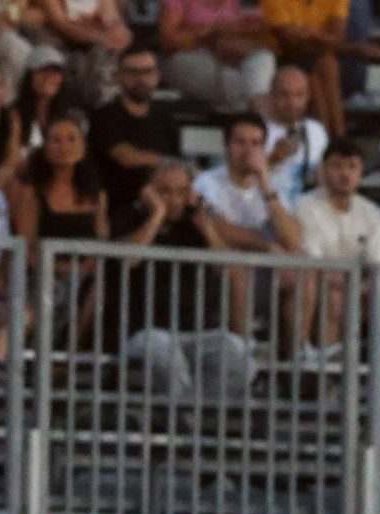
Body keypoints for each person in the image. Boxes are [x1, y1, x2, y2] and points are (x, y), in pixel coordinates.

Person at [105, 159, 254, 401]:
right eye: (164, 191)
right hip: (145, 331)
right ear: (148, 192)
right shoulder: (129, 216)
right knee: (166, 354)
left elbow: (229, 269)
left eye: (181, 191)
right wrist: (157, 215)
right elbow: (127, 259)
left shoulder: (196, 224)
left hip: (198, 331)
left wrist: (207, 227)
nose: (174, 199)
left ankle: (203, 421)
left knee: (240, 357)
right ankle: (184, 424)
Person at [293, 140, 380, 352]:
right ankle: (328, 372)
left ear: (361, 172)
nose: (344, 174)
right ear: (323, 170)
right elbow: (314, 261)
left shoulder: (372, 213)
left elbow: (377, 264)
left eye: (351, 167)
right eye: (337, 166)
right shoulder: (304, 206)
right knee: (335, 299)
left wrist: (357, 286)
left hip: (358, 287)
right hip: (320, 284)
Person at [90, 45, 180, 212]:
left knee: (205, 202)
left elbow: (176, 162)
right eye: (133, 72)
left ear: (157, 76)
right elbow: (125, 156)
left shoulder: (165, 117)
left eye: (148, 71)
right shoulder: (104, 115)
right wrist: (168, 162)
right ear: (118, 76)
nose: (141, 79)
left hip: (163, 202)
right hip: (119, 206)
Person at [196, 111, 303, 252]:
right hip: (227, 264)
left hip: (270, 267)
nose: (248, 150)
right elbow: (215, 223)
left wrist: (265, 186)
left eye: (255, 143)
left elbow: (293, 240)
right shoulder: (205, 183)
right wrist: (265, 245)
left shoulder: (273, 188)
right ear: (226, 145)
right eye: (240, 142)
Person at [157, 0, 274, 115]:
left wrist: (236, 35)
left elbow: (254, 30)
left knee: (263, 57)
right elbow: (168, 41)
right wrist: (211, 31)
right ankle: (258, 119)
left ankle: (259, 112)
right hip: (185, 57)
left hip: (226, 54)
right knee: (235, 82)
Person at [12, 107, 102, 247]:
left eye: (71, 139)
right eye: (56, 140)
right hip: (42, 267)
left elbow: (102, 245)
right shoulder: (32, 194)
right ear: (45, 148)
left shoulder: (97, 196)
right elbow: (25, 246)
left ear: (83, 147)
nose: (64, 147)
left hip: (87, 269)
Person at [261, 0, 343, 136]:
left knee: (327, 63)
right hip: (279, 55)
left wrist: (307, 33)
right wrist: (319, 36)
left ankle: (333, 137)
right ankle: (332, 138)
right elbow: (286, 39)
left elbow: (337, 37)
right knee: (317, 71)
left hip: (317, 52)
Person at [30, 0, 129, 110]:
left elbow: (112, 21)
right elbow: (60, 23)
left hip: (96, 43)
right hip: (62, 42)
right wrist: (99, 34)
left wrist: (108, 32)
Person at [260, 65, 326, 203]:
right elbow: (239, 182)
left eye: (299, 95)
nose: (292, 102)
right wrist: (273, 160)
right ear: (272, 95)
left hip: (305, 213)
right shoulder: (255, 129)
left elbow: (324, 183)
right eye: (284, 95)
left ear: (308, 96)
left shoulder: (316, 131)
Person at [13, 42, 71, 156]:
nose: (49, 76)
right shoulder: (14, 114)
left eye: (55, 71)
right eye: (43, 70)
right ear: (30, 76)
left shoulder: (71, 113)